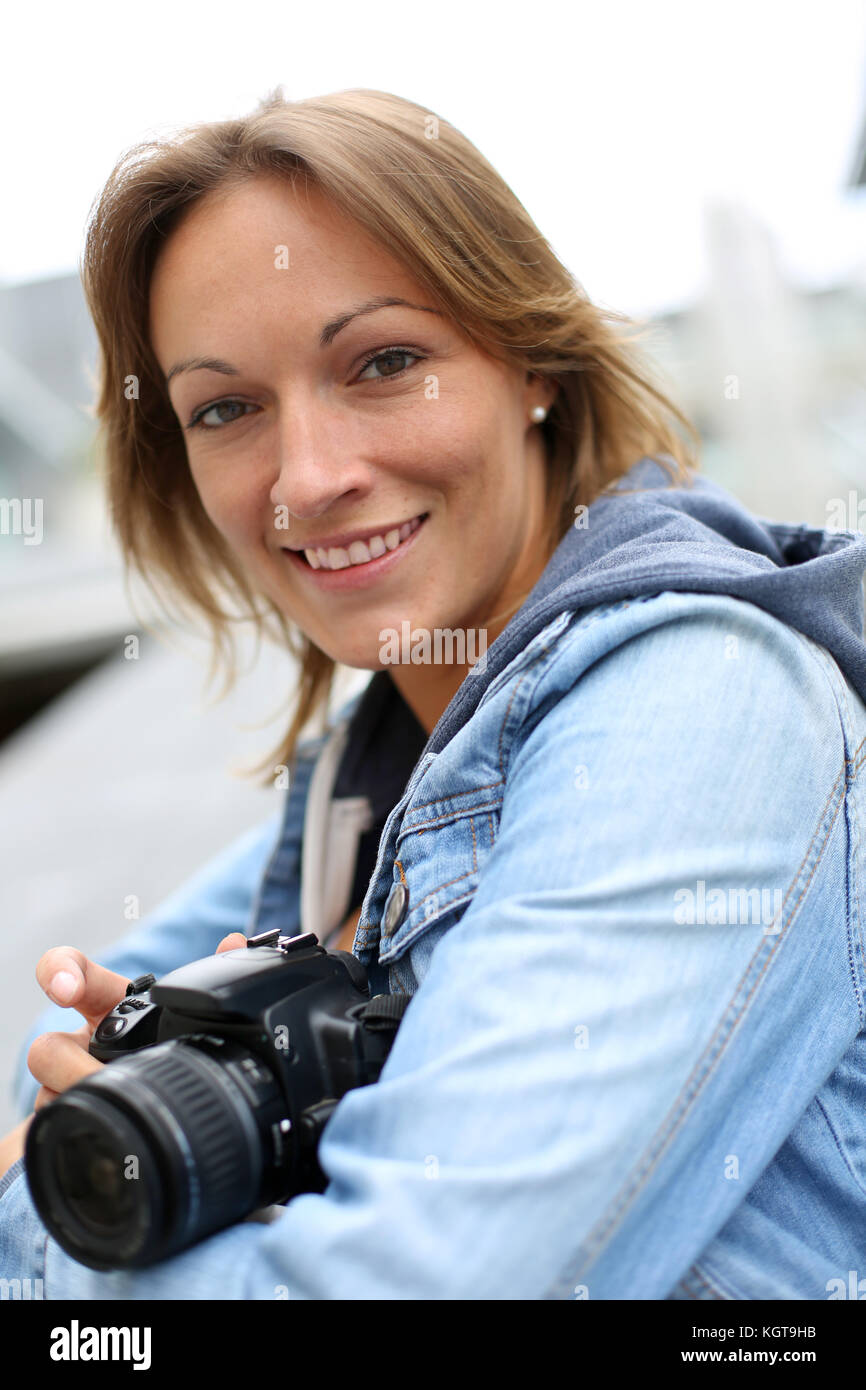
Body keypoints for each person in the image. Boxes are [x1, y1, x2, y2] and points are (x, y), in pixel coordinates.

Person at [2, 86, 866, 1300]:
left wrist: (51, 1238)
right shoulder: (365, 797)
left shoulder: (698, 700)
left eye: (385, 360)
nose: (307, 478)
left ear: (532, 366)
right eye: (228, 408)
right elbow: (33, 1059)